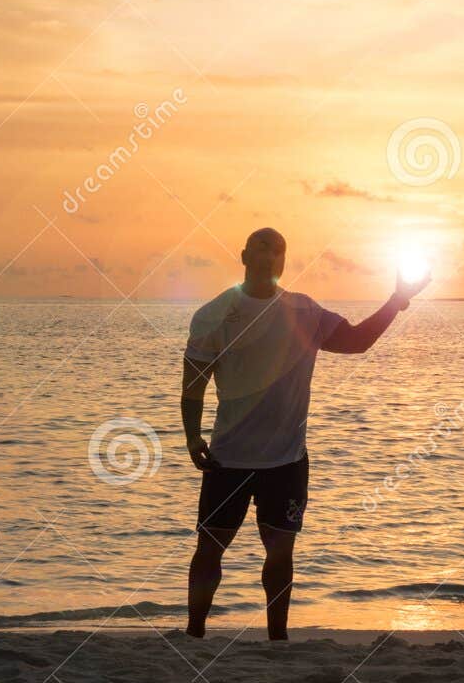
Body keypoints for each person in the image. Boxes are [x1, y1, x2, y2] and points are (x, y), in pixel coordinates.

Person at [180, 227, 429, 640]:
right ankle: (194, 635)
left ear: (283, 262)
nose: (268, 257)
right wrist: (191, 436)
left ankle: (277, 638)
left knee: (281, 552)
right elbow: (193, 386)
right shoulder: (214, 314)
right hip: (228, 458)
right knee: (210, 548)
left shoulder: (303, 312)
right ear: (243, 255)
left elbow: (357, 341)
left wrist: (397, 300)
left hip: (287, 460)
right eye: (260, 249)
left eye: (276, 252)